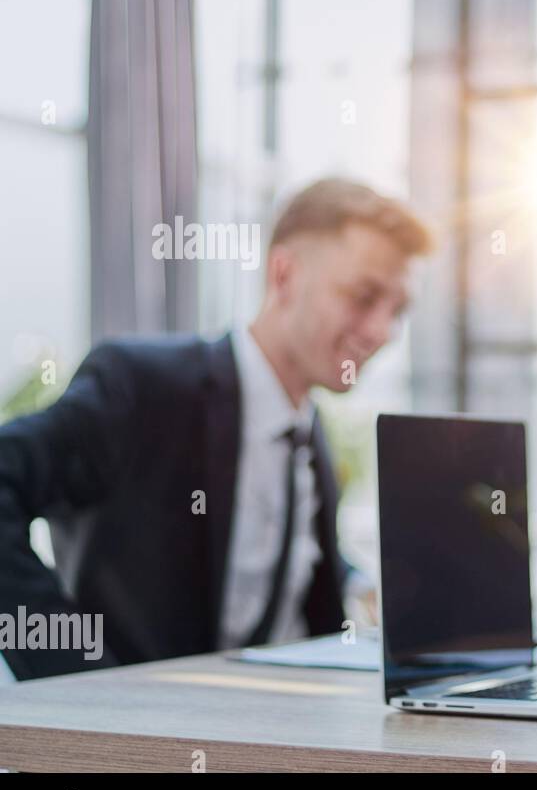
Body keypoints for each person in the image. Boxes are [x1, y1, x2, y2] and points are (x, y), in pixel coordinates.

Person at [0, 177, 431, 681]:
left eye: (398, 310)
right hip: (144, 742)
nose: (383, 331)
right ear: (284, 274)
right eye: (364, 296)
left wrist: (360, 586)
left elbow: (275, 558)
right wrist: (75, 676)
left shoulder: (308, 435)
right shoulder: (144, 387)